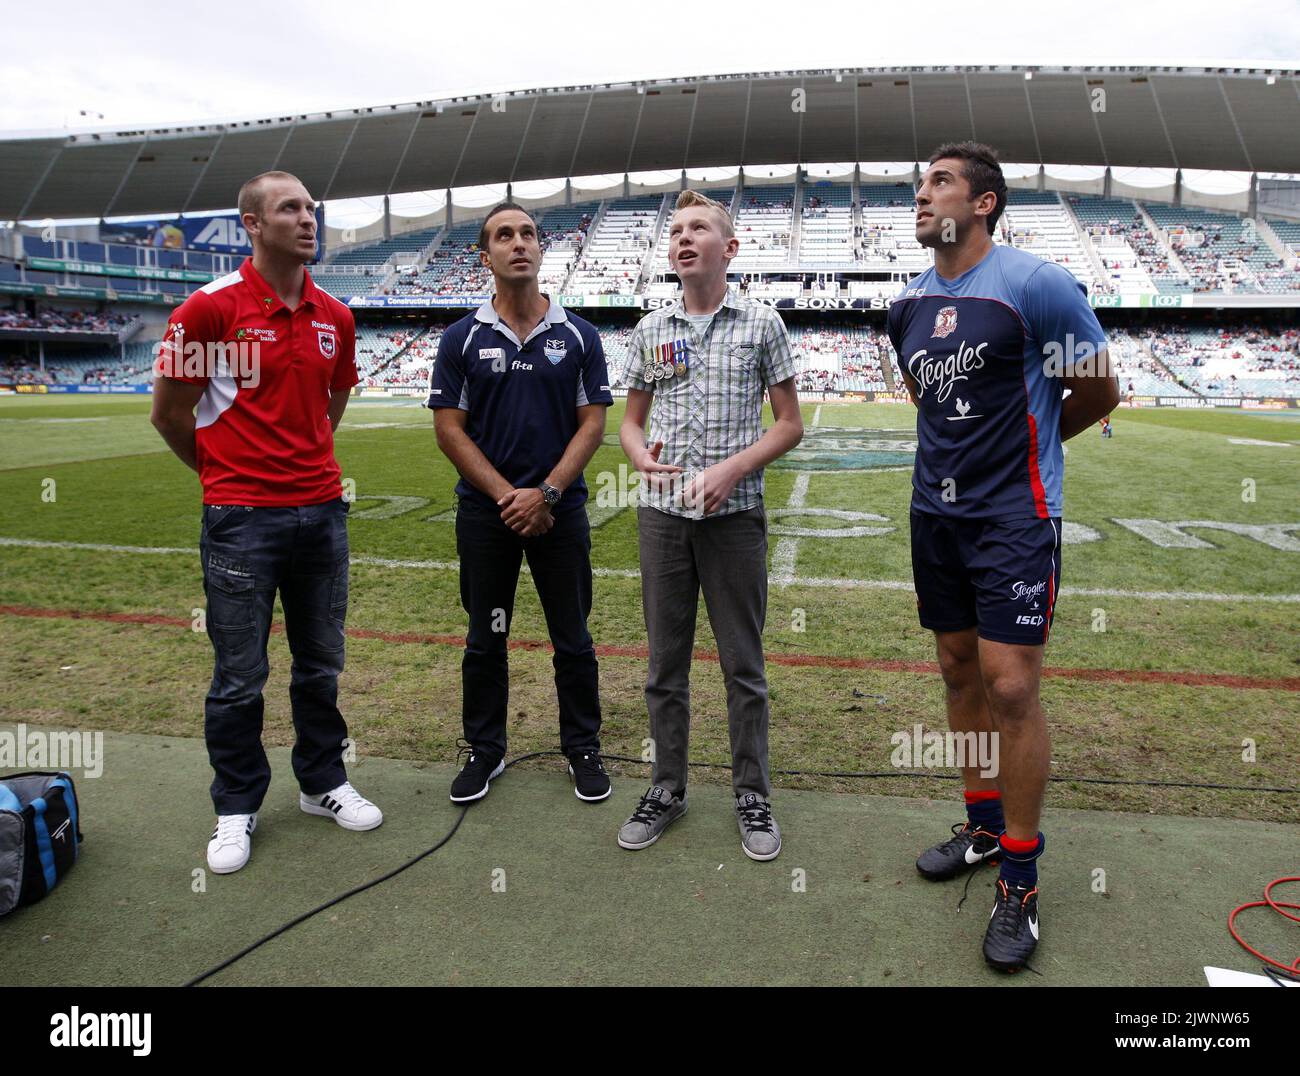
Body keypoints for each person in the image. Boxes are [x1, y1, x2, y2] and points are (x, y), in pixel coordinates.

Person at [887, 142, 1119, 971]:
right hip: (934, 517)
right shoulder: (907, 305)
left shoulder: (1035, 286)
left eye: (939, 183)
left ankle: (1020, 876)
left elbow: (1096, 389)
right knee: (957, 672)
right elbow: (928, 403)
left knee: (1011, 684)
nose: (921, 197)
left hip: (1016, 517)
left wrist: (1033, 455)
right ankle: (983, 828)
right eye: (920, 184)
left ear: (983, 203)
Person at [151, 170, 381, 876]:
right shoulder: (208, 309)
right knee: (239, 676)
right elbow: (168, 413)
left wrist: (303, 472)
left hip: (321, 514)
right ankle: (236, 806)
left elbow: (332, 405)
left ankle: (322, 783)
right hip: (241, 520)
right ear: (253, 223)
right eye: (290, 209)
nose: (308, 220)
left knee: (321, 665)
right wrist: (226, 480)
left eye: (311, 209)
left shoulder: (334, 316)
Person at [616, 190, 803, 861]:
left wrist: (731, 470)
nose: (685, 238)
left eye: (699, 228)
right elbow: (630, 424)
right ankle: (667, 787)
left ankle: (752, 794)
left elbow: (789, 424)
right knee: (665, 666)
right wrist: (639, 456)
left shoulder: (762, 324)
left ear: (731, 247)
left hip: (734, 520)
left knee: (742, 667)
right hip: (663, 522)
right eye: (677, 231)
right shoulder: (649, 329)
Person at [428, 203, 614, 805]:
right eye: (504, 235)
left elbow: (592, 425)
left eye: (529, 233)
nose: (519, 243)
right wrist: (509, 496)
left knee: (573, 636)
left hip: (561, 512)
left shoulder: (580, 334)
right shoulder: (461, 338)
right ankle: (486, 749)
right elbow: (450, 430)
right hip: (488, 516)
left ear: (541, 249)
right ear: (485, 257)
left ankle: (582, 746)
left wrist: (548, 493)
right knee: (486, 636)